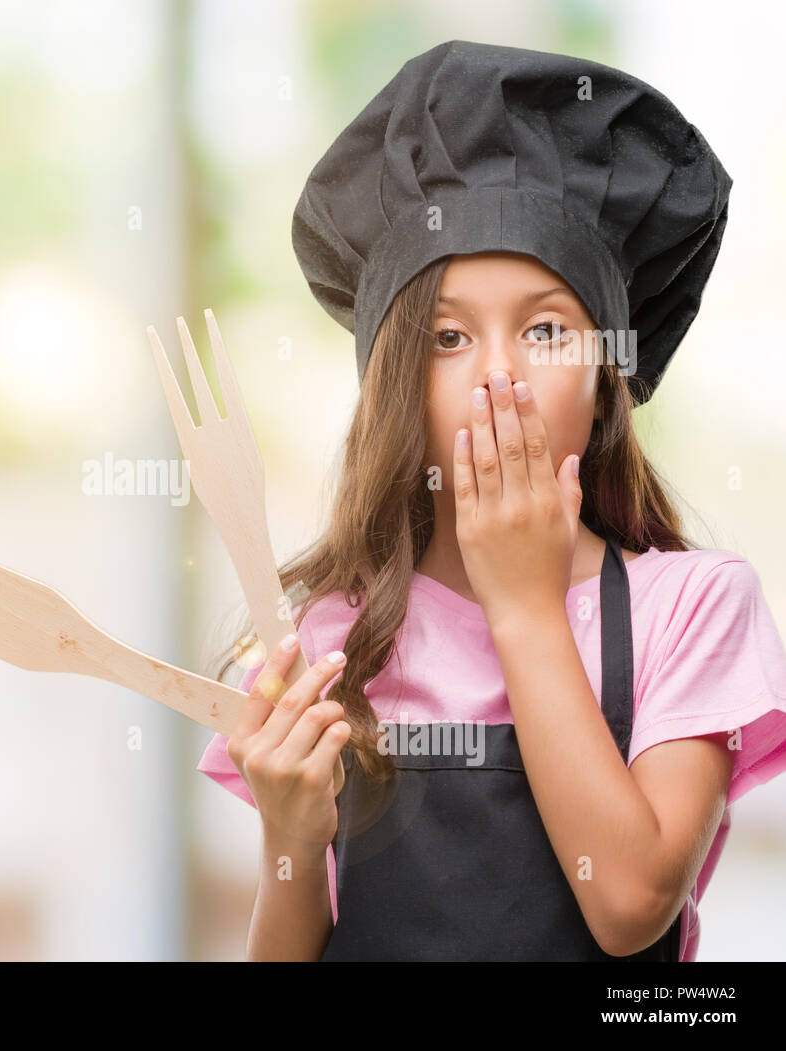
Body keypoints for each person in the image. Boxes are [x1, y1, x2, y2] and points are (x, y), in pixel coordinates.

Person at [196, 40, 786, 962]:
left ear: (603, 381)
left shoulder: (694, 607)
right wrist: (290, 836)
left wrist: (522, 602)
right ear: (397, 383)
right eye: (448, 335)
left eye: (546, 327)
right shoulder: (326, 638)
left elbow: (631, 904)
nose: (498, 373)